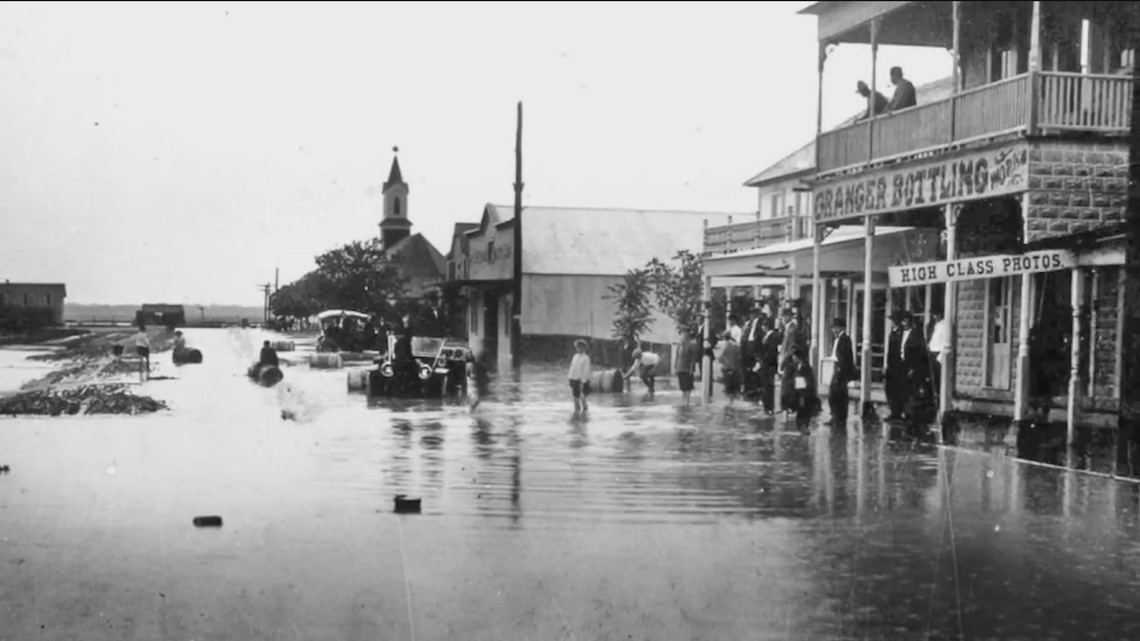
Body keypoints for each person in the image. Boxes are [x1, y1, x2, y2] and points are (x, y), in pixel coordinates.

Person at [826, 319, 857, 428]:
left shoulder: (845, 339)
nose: (833, 330)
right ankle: (835, 415)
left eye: (835, 328)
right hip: (837, 367)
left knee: (838, 394)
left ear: (840, 328)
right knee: (834, 393)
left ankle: (840, 417)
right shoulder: (837, 340)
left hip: (841, 370)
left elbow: (845, 357)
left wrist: (840, 369)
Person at [787, 348, 820, 430]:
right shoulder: (798, 366)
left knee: (803, 412)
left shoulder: (805, 367)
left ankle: (804, 427)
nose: (793, 358)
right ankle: (802, 428)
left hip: (804, 395)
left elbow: (808, 382)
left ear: (798, 357)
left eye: (794, 356)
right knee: (801, 412)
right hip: (800, 394)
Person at [757, 318, 781, 414]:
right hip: (765, 365)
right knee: (765, 386)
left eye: (763, 325)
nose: (762, 327)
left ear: (766, 326)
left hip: (769, 365)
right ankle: (766, 406)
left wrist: (764, 361)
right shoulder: (766, 336)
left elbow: (772, 351)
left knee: (768, 387)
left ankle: (769, 407)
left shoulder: (773, 336)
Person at [675, 328, 701, 407]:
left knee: (688, 386)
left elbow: (693, 358)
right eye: (682, 334)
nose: (682, 336)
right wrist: (675, 366)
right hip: (680, 368)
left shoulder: (691, 345)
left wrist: (692, 369)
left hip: (687, 368)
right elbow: (677, 356)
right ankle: (684, 400)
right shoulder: (679, 345)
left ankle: (687, 401)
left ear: (688, 335)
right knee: (682, 386)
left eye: (684, 334)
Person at [718, 331, 743, 405]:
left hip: (727, 369)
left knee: (728, 387)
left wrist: (724, 362)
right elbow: (740, 358)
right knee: (734, 388)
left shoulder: (725, 346)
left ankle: (730, 403)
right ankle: (734, 402)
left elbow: (720, 358)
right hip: (736, 369)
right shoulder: (737, 346)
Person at [568, 339, 592, 413]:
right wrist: (570, 378)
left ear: (583, 348)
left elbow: (585, 371)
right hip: (574, 379)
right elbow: (572, 368)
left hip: (581, 380)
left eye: (579, 347)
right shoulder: (575, 356)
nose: (577, 349)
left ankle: (585, 411)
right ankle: (577, 411)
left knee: (582, 397)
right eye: (577, 347)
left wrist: (583, 382)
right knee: (575, 397)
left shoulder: (586, 358)